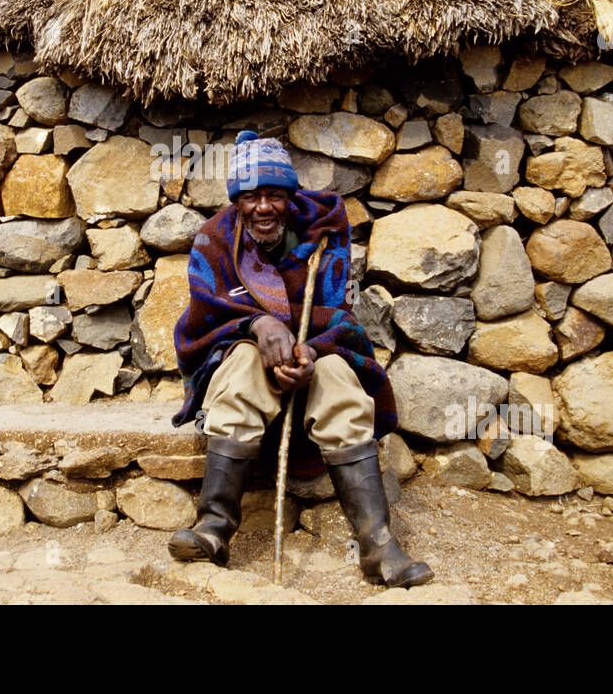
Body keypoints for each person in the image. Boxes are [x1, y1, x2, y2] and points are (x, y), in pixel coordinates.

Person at [168, 130, 433, 588]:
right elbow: (202, 320)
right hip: (243, 362)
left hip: (312, 357)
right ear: (237, 201)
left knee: (338, 378)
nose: (263, 207)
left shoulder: (324, 236)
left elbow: (342, 316)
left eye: (274, 195)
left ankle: (378, 546)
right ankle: (213, 527)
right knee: (242, 366)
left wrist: (311, 350)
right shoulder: (215, 240)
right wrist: (256, 325)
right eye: (250, 197)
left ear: (290, 196)